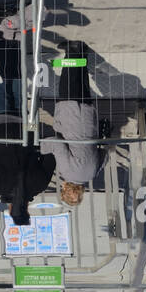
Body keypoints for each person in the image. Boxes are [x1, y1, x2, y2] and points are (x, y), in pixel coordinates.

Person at [39, 40, 104, 206]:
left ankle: (82, 52)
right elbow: (56, 144)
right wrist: (39, 148)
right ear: (65, 189)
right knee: (68, 80)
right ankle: (72, 50)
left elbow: (104, 154)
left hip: (89, 121)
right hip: (71, 119)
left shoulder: (93, 174)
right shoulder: (67, 172)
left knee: (81, 85)